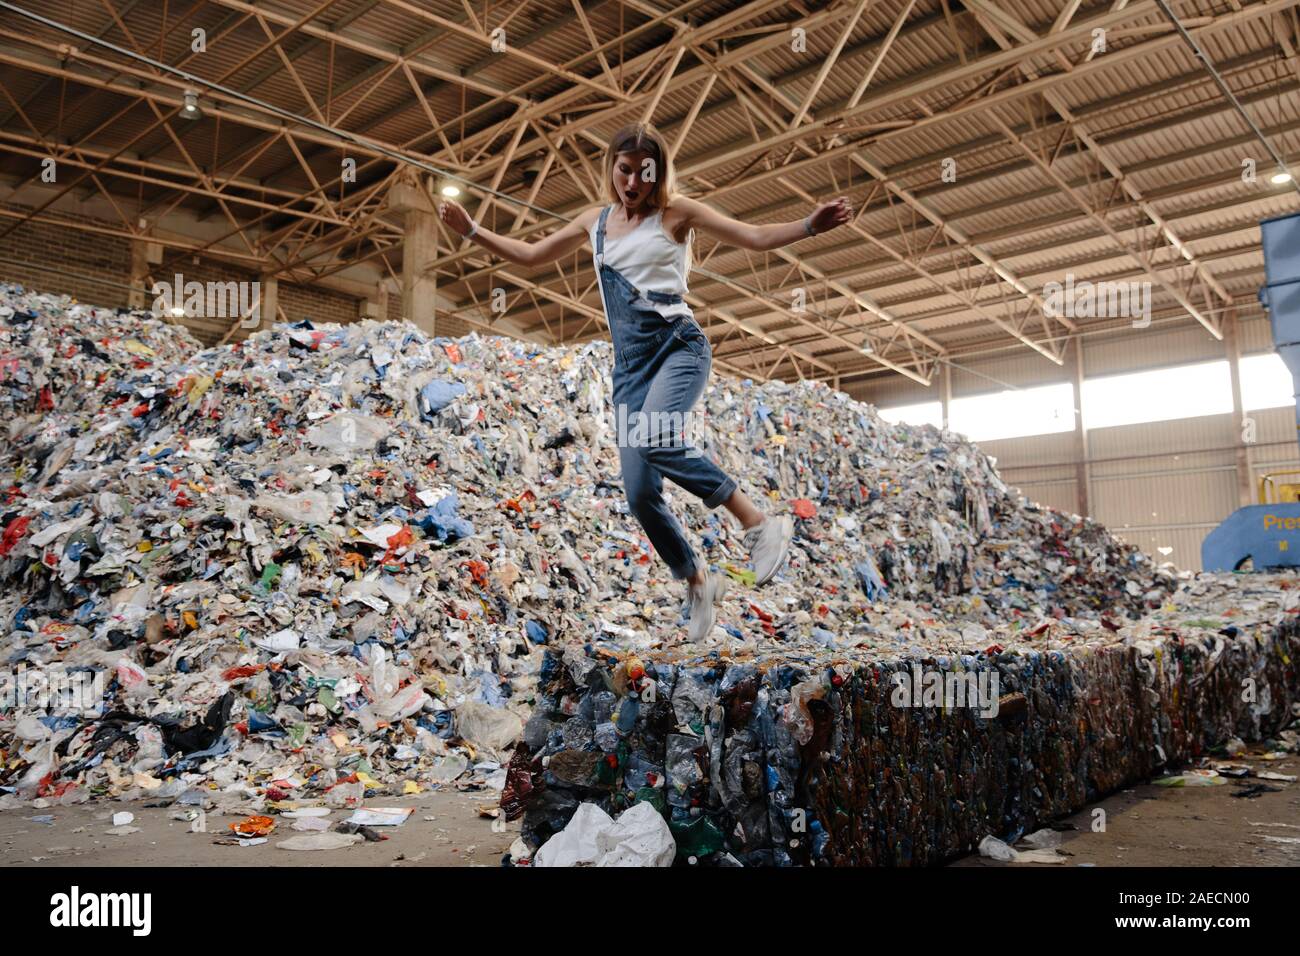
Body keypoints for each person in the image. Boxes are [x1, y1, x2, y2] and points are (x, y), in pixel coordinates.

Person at [438, 121, 852, 640]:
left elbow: (754, 237)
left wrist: (809, 226)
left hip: (678, 347)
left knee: (657, 438)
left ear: (659, 175)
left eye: (645, 173)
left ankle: (758, 522)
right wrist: (471, 231)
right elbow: (530, 254)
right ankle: (696, 580)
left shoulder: (676, 215)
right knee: (638, 493)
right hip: (629, 367)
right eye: (625, 170)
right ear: (612, 168)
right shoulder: (594, 221)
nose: (633, 182)